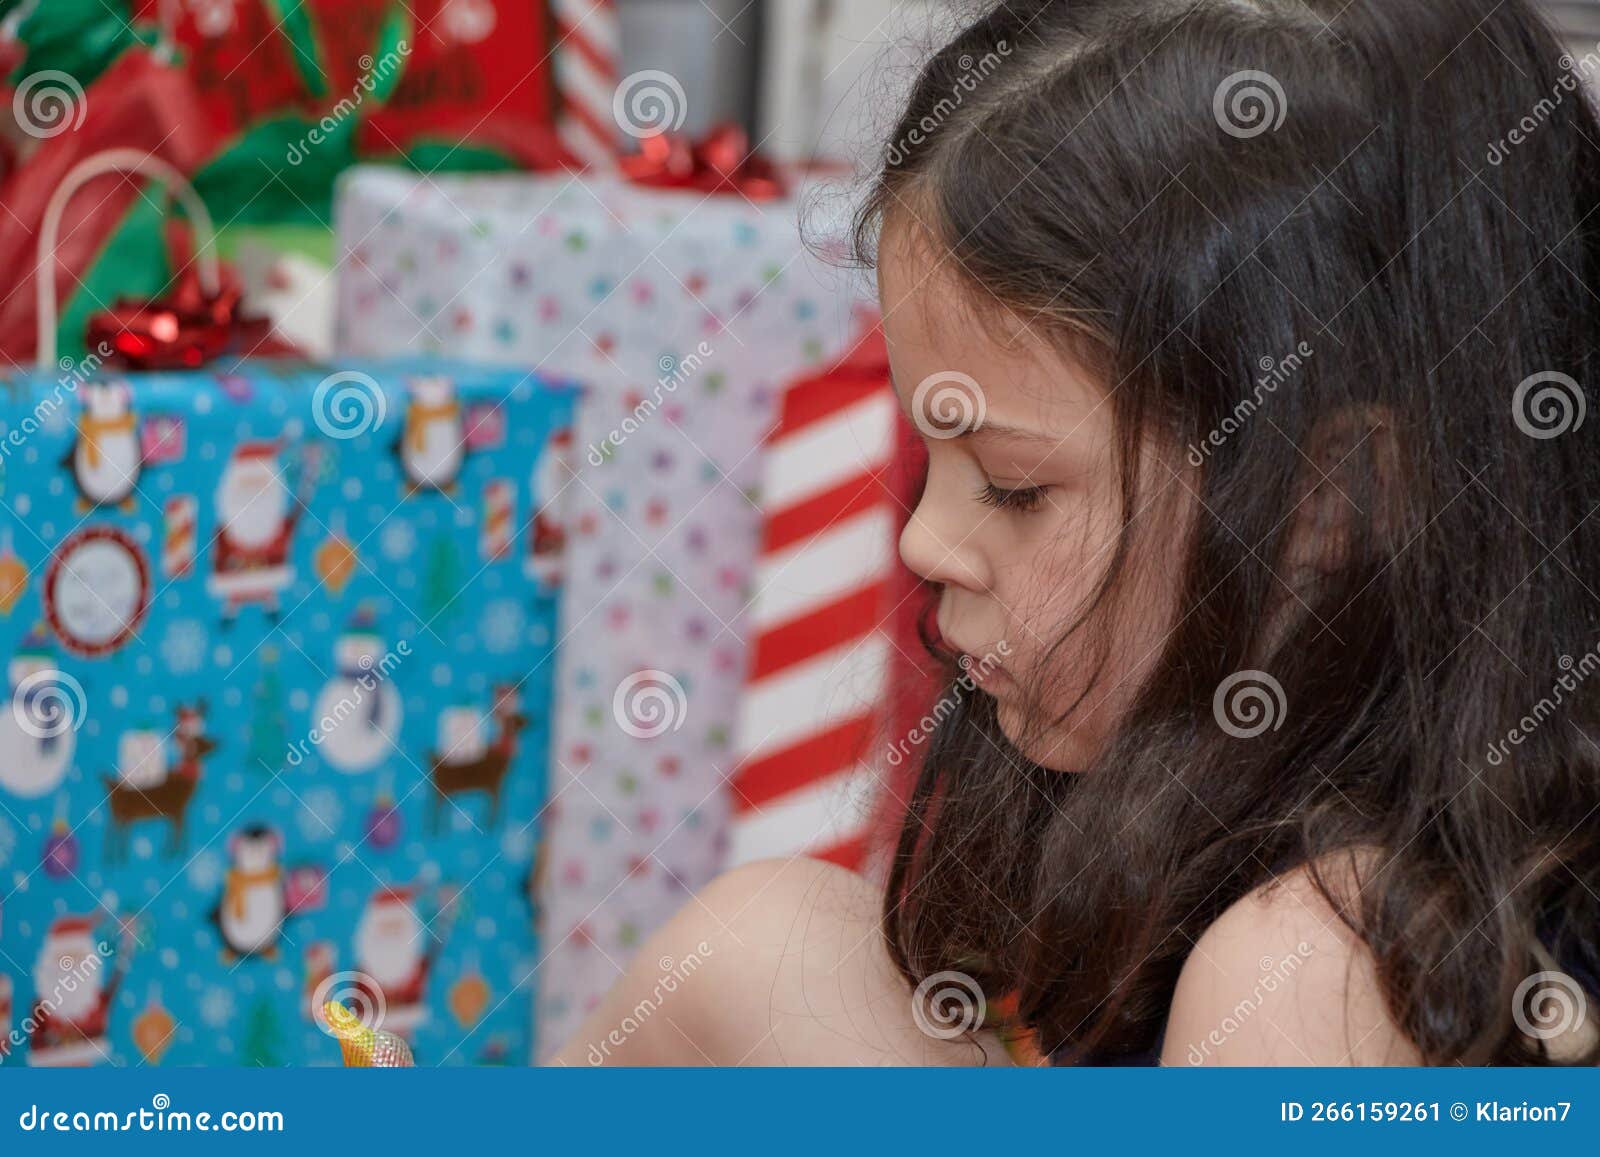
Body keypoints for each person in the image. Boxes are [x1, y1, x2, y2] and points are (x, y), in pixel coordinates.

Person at [554, 0, 1600, 1066]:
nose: (924, 544)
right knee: (755, 949)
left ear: (1336, 501)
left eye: (1013, 487)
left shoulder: (1317, 979)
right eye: (930, 461)